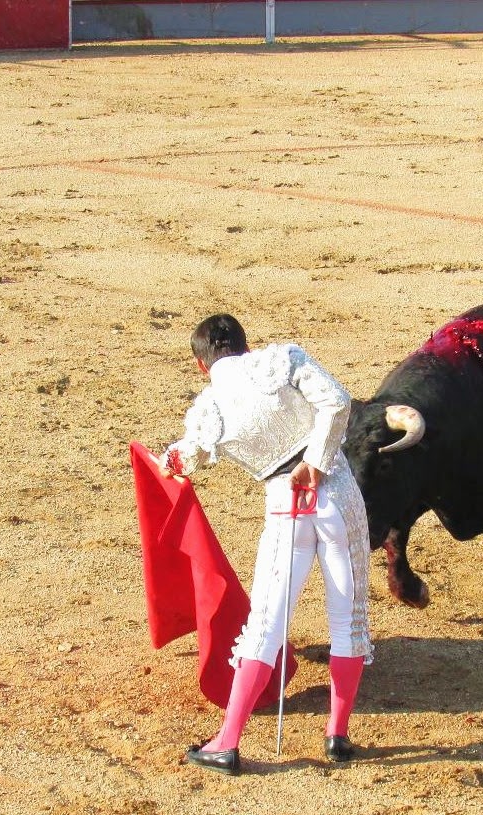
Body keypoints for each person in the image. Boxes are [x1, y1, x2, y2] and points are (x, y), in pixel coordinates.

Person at [159, 314, 373, 775]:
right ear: (246, 344)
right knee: (348, 619)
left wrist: (164, 461)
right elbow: (337, 402)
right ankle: (337, 735)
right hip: (337, 494)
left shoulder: (209, 408)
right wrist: (316, 461)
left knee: (265, 625)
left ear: (201, 365)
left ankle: (227, 742)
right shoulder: (282, 359)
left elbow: (185, 457)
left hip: (283, 506)